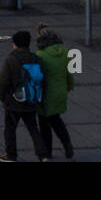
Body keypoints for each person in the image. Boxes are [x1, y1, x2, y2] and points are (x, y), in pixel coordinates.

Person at [0, 30, 47, 161]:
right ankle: (42, 155)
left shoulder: (11, 59)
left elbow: (3, 81)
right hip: (31, 100)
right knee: (33, 128)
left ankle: (11, 155)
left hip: (14, 101)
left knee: (10, 129)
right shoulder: (36, 58)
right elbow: (43, 80)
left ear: (15, 44)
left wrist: (2, 97)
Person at [36, 24, 75, 159]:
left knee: (44, 124)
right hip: (60, 92)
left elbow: (38, 77)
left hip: (46, 95)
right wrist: (70, 86)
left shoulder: (40, 55)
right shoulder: (65, 52)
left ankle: (47, 151)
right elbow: (69, 73)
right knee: (56, 121)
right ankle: (67, 144)